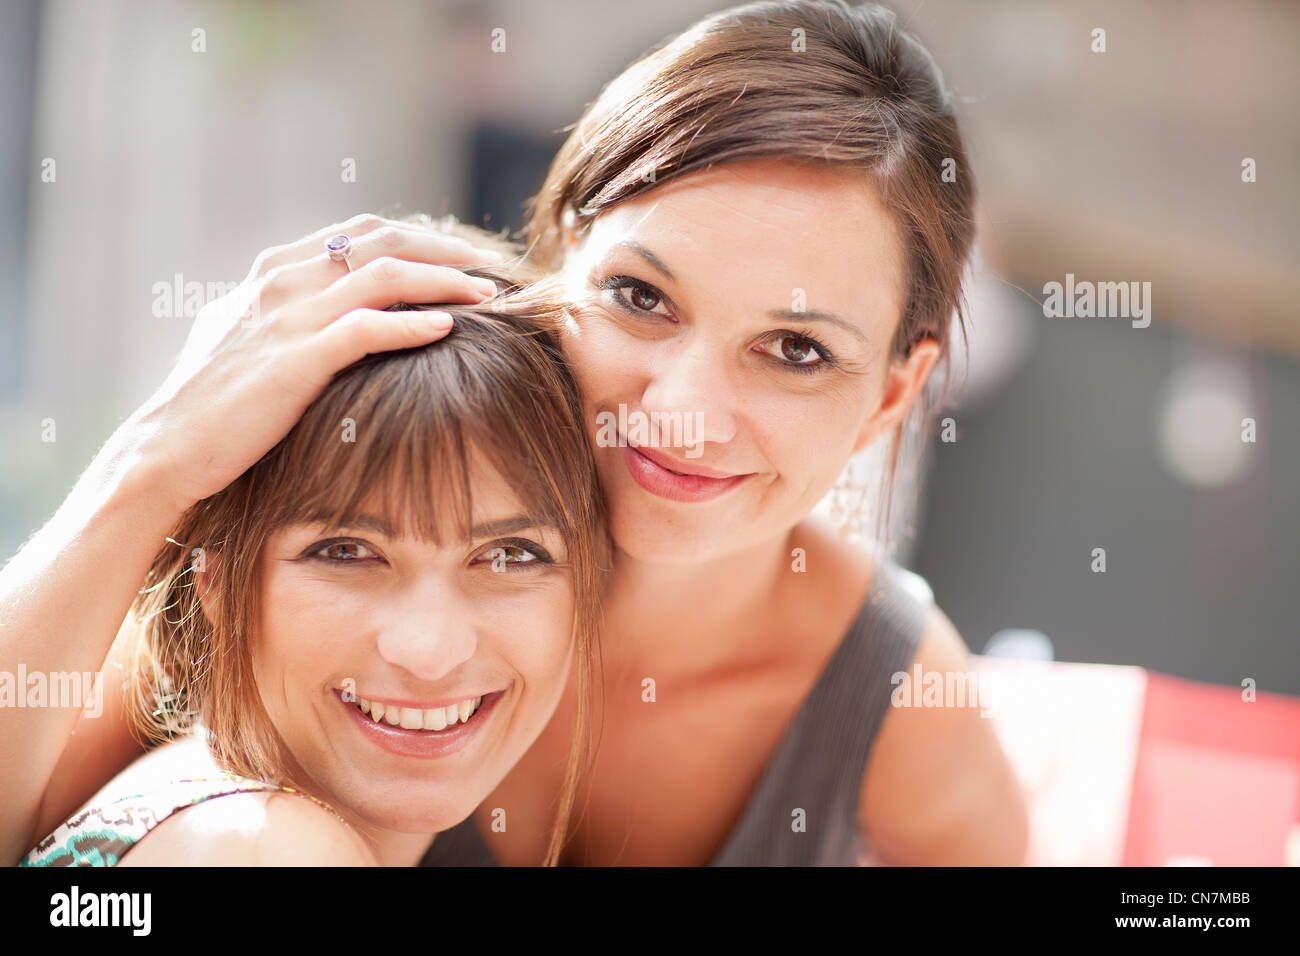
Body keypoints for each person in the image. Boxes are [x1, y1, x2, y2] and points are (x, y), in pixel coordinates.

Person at [3, 0, 1028, 866]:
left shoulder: (888, 700)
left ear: (895, 395)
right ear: (557, 259)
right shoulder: (360, 502)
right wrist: (150, 463)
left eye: (797, 349)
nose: (681, 407)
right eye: (638, 295)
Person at [12, 238, 608, 866]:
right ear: (214, 580)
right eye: (347, 551)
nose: (430, 652)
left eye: (510, 555)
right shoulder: (263, 848)